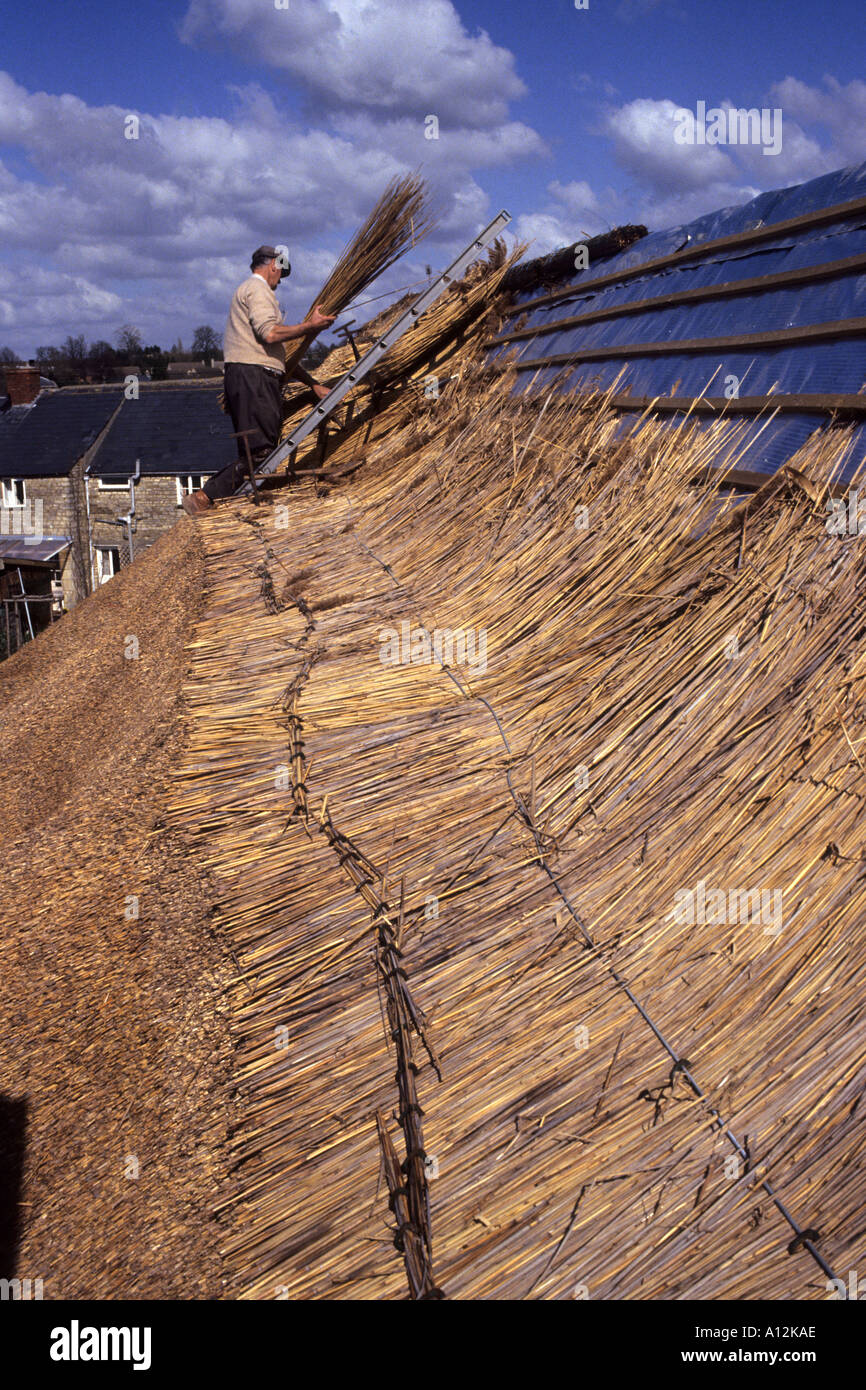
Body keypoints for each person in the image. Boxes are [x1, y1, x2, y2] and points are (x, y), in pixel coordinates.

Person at [183, 245, 335, 513]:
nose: (280, 281)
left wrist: (311, 384)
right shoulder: (258, 290)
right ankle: (205, 497)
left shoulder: (249, 291)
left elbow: (276, 354)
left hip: (248, 377)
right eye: (280, 273)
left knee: (254, 454)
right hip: (254, 379)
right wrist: (309, 327)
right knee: (262, 456)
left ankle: (213, 498)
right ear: (273, 265)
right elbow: (270, 335)